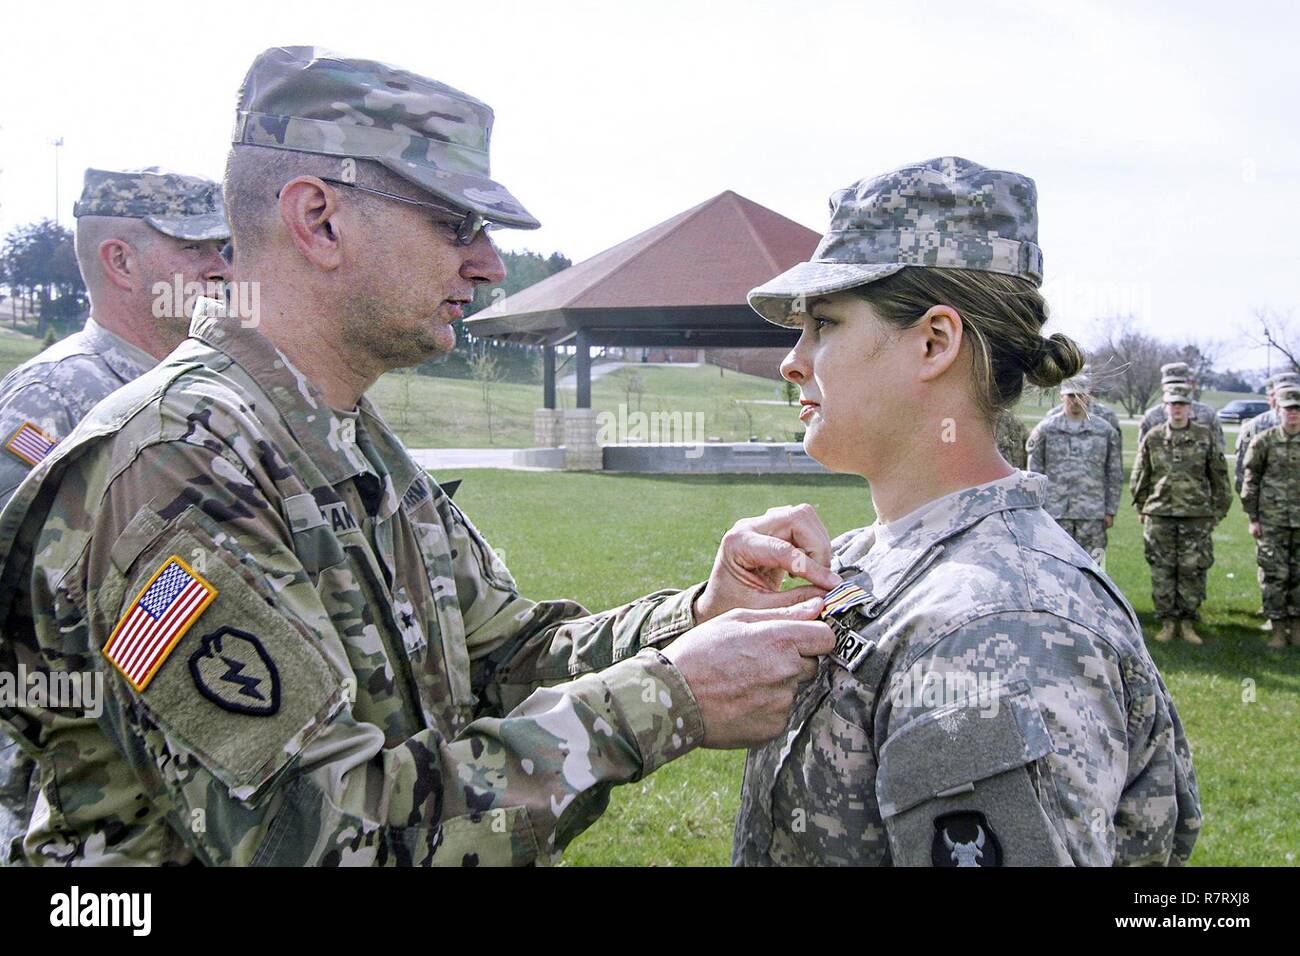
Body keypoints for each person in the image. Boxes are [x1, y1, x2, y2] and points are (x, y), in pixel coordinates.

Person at [0, 46, 839, 867]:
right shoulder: (175, 466)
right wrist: (669, 699)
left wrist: (695, 619)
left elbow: (504, 658)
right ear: (319, 218)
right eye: (454, 224)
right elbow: (328, 837)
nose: (488, 264)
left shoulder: (345, 436)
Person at [733, 156, 1200, 866]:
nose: (792, 362)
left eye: (823, 324)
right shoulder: (874, 558)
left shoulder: (1000, 627)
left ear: (934, 342)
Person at [0, 167, 228, 864]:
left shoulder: (196, 389)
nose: (222, 266)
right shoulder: (54, 399)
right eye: (197, 248)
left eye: (226, 247)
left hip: (179, 769)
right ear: (121, 262)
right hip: (76, 795)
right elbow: (24, 616)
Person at [1131, 383, 1232, 644]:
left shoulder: (1204, 436)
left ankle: (1187, 623)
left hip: (1196, 515)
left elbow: (1219, 477)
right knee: (1162, 568)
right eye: (1173, 404)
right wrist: (1143, 507)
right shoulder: (1153, 437)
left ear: (1190, 407)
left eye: (1182, 404)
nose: (1177, 409)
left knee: (1192, 569)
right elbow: (1140, 477)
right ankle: (1166, 622)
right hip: (1160, 515)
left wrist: (1217, 512)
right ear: (1166, 407)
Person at [1026, 375, 1122, 563]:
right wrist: (1036, 508)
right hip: (1054, 514)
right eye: (1071, 396)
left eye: (1080, 395)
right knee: (1054, 569)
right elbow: (1033, 473)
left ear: (1089, 397)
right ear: (1062, 396)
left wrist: (1110, 511)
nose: (1076, 401)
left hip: (1092, 515)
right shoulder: (1045, 430)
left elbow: (1114, 473)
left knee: (1094, 572)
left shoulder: (1105, 431)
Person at [1241, 385, 1300, 648]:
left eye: (1298, 409)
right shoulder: (1263, 441)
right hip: (1271, 521)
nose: (1293, 414)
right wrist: (1253, 518)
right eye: (1288, 409)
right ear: (1278, 410)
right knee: (1275, 575)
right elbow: (1250, 482)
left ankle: (1296, 628)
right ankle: (1277, 628)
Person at [1235, 372, 1300, 495]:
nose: (1288, 397)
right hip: (1268, 506)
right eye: (1281, 392)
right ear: (1271, 396)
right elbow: (1242, 469)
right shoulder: (1254, 426)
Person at [1138, 362, 1225, 452]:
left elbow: (1219, 452)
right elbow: (1142, 454)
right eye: (1170, 384)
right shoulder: (1151, 418)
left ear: (1192, 386)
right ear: (1163, 387)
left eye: (1180, 383)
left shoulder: (1207, 416)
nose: (1175, 388)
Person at [1043, 365, 1123, 455]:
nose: (1076, 399)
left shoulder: (1106, 415)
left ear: (1090, 388)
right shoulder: (1053, 416)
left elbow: (1115, 449)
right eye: (1072, 394)